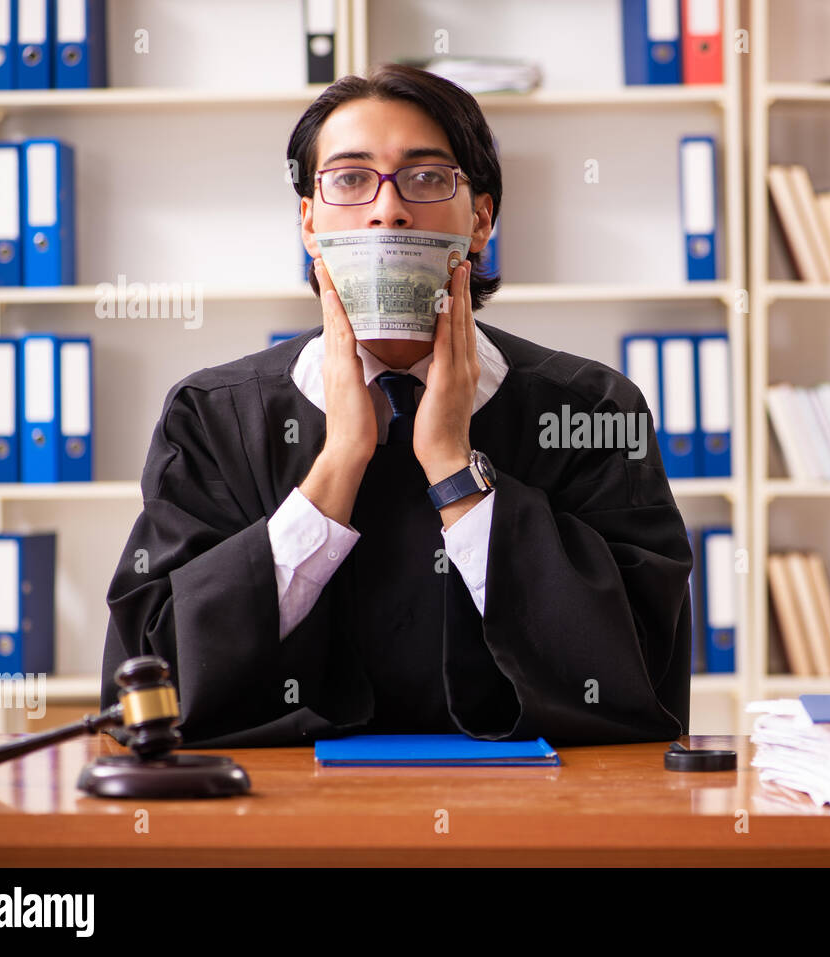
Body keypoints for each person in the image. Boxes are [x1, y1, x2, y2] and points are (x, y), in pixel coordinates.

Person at [99, 65, 694, 748]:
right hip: (282, 824)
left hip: (533, 822)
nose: (388, 210)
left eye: (427, 177)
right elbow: (147, 689)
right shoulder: (210, 416)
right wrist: (336, 468)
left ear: (481, 220)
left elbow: (640, 675)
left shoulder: (592, 409)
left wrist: (452, 468)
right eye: (350, 180)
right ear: (309, 224)